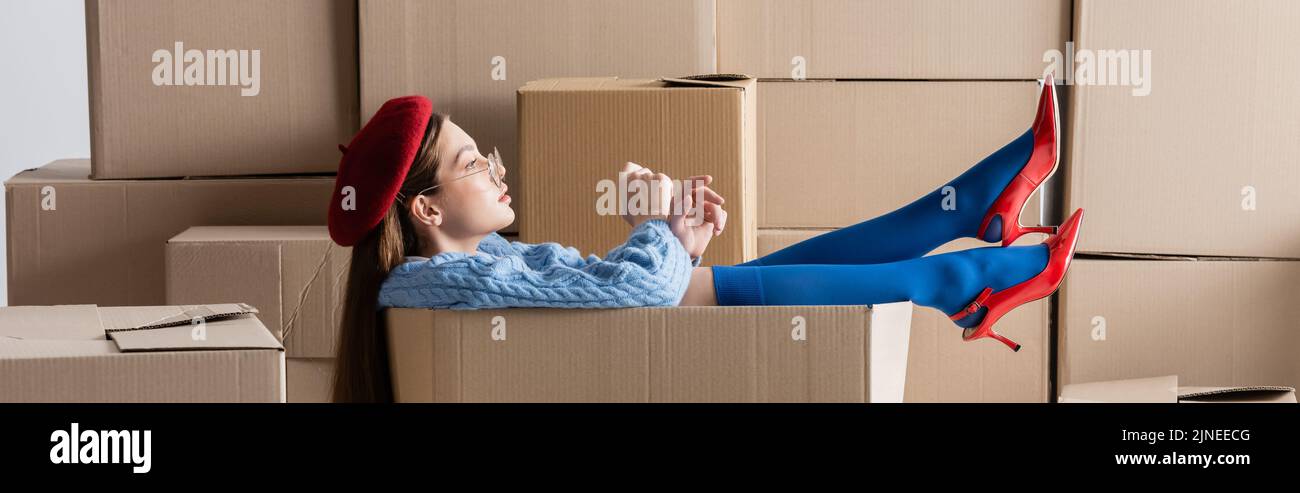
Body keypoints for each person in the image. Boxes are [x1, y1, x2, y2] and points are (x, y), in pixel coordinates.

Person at [327, 75, 1082, 403]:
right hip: (696, 335)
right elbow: (630, 297)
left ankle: (975, 216)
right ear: (424, 209)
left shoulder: (468, 263)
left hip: (695, 310)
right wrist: (654, 225)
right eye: (470, 163)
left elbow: (599, 296)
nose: (495, 169)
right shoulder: (437, 286)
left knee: (822, 256)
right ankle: (974, 276)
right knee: (838, 278)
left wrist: (677, 241)